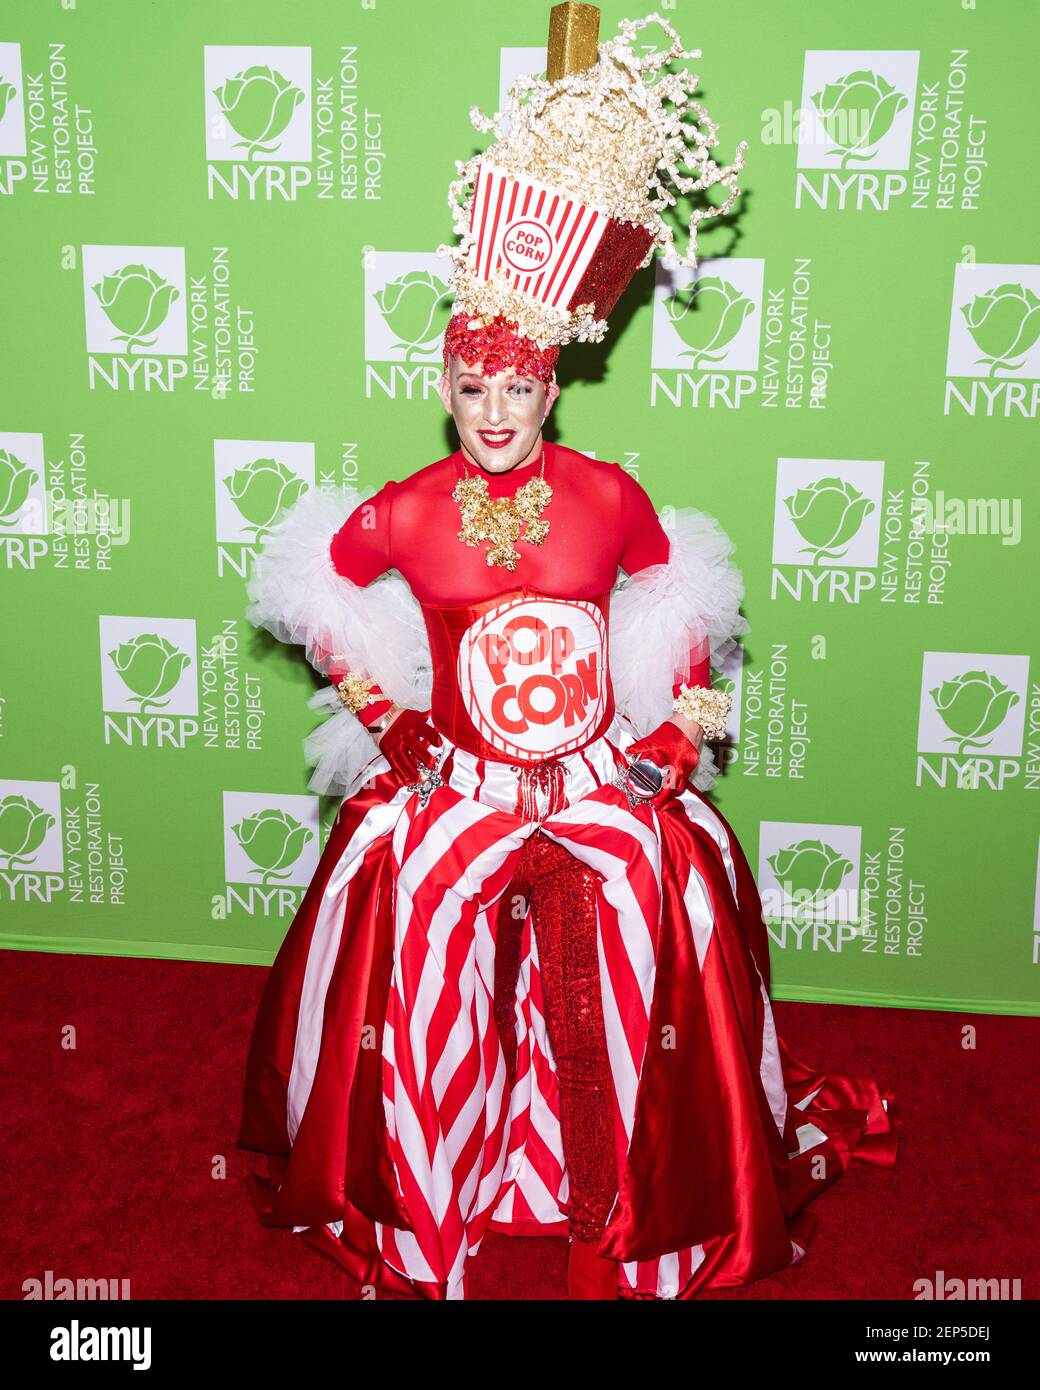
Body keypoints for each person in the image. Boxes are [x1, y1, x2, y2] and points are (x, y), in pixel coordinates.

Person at [237, 9, 899, 1301]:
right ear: (446, 384)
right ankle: (438, 1194)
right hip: (456, 785)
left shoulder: (606, 496)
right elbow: (308, 581)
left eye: (517, 388)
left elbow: (691, 597)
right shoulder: (409, 508)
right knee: (409, 914)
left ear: (553, 384)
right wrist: (391, 714)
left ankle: (637, 1202)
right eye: (470, 387)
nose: (494, 412)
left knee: (669, 895)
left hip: (603, 776)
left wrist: (675, 729)